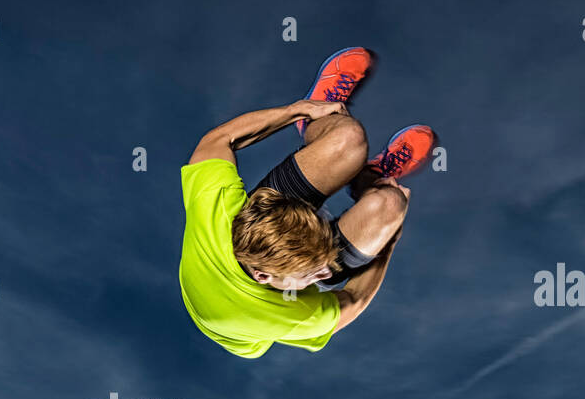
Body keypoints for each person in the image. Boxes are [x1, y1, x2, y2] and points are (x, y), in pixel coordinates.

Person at [179, 47, 437, 358]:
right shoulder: (282, 315)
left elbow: (217, 141)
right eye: (313, 274)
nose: (324, 276)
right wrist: (389, 242)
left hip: (263, 242)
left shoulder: (216, 207)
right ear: (265, 278)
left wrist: (297, 110)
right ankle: (371, 181)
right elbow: (353, 301)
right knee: (390, 206)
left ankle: (320, 121)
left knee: (348, 139)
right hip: (246, 309)